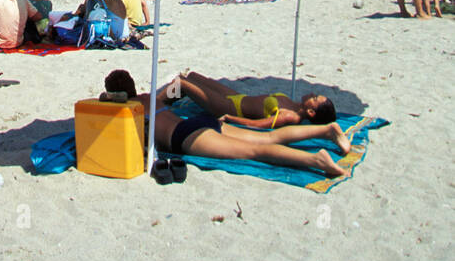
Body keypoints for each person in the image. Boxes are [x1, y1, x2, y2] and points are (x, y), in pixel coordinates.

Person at [102, 71, 350, 179]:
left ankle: (315, 160)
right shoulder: (147, 98)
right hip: (197, 122)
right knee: (266, 140)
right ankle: (325, 130)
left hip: (185, 135)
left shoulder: (123, 112)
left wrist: (110, 99)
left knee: (256, 152)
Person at [170, 70, 336, 127]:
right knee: (193, 76)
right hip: (238, 97)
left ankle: (158, 103)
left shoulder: (290, 116)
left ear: (311, 112)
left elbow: (257, 124)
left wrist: (229, 118)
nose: (313, 93)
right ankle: (170, 98)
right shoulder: (296, 105)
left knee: (183, 84)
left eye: (315, 98)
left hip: (229, 108)